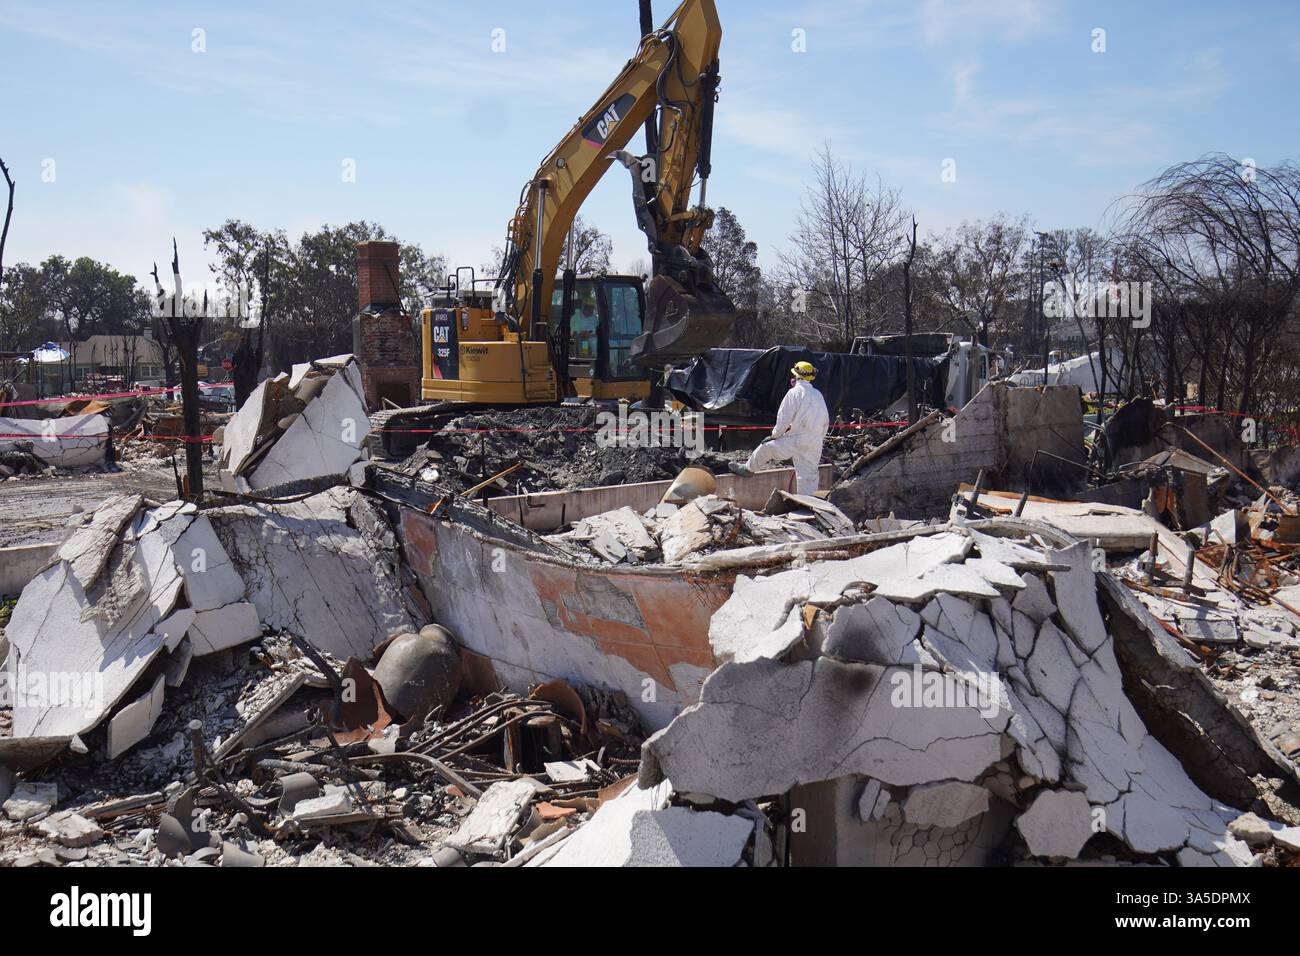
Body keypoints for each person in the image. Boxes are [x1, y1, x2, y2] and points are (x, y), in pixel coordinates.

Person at [729, 361, 828, 494]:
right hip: (815, 441)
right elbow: (826, 421)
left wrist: (775, 435)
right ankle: (808, 504)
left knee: (766, 448)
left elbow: (784, 418)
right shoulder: (818, 395)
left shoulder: (794, 393)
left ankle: (748, 469)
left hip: (797, 438)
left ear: (796, 377)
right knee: (808, 477)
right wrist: (819, 439)